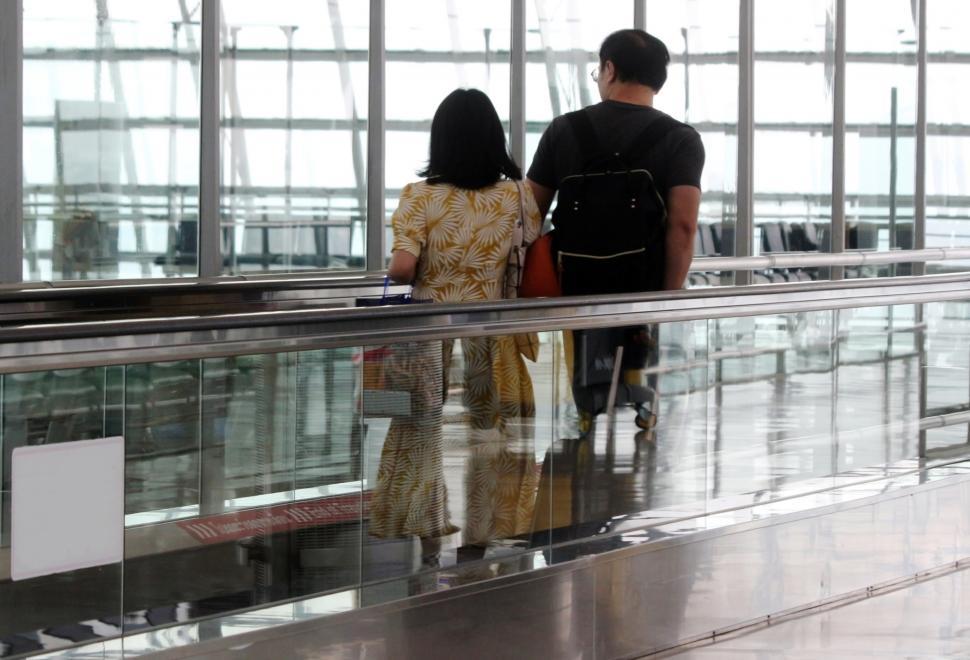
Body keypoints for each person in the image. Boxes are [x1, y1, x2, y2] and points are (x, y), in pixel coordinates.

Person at [378, 89, 543, 560]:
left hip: (426, 341)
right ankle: (480, 538)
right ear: (495, 139)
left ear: (440, 140)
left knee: (420, 434)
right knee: (491, 439)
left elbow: (402, 270)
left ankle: (429, 540)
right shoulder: (518, 197)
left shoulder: (418, 197)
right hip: (492, 339)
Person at [527, 29, 705, 433]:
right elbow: (683, 224)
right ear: (658, 77)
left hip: (574, 278)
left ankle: (584, 413)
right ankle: (642, 403)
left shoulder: (563, 130)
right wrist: (669, 296)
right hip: (640, 282)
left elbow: (530, 212)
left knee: (581, 351)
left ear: (609, 69)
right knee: (638, 354)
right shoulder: (680, 139)